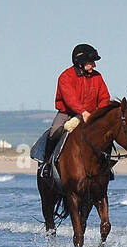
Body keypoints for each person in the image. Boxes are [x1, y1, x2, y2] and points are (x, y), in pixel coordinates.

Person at [32, 43, 111, 178]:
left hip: (91, 116)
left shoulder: (98, 77)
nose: (94, 65)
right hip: (67, 114)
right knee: (54, 133)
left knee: (107, 136)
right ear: (80, 62)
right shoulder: (65, 77)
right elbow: (70, 99)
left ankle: (106, 168)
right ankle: (47, 165)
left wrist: (99, 114)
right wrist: (82, 112)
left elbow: (105, 97)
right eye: (91, 62)